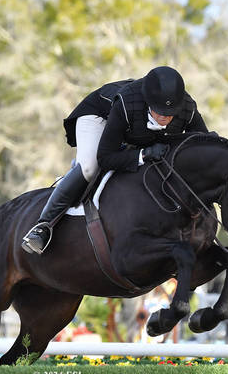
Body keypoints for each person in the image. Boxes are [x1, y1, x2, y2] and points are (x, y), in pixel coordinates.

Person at [21, 66, 208, 254]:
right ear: (149, 102)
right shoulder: (127, 103)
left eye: (170, 112)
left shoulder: (186, 107)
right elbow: (105, 157)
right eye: (160, 111)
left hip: (132, 130)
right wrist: (143, 155)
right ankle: (43, 225)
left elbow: (204, 144)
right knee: (90, 167)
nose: (165, 117)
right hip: (100, 115)